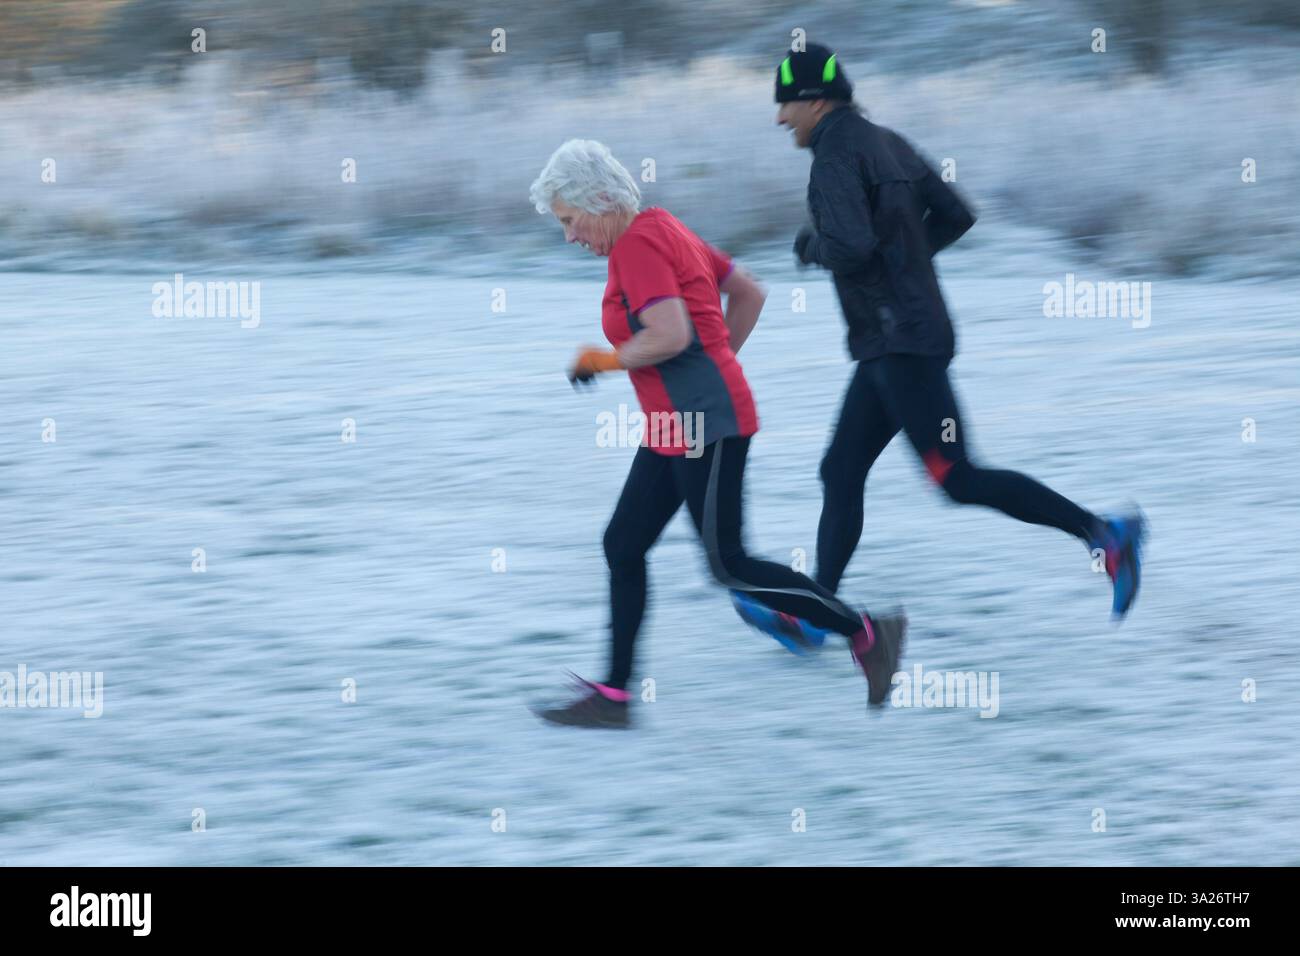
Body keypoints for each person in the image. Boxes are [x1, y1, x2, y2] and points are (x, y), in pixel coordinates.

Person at [527, 139, 906, 728]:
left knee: (728, 562)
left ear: (599, 200)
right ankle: (615, 697)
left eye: (571, 221)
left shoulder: (637, 245)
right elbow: (749, 291)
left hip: (705, 421)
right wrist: (716, 361)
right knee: (623, 543)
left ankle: (865, 631)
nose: (571, 235)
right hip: (678, 422)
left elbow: (671, 334)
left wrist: (602, 361)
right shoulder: (664, 228)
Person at [771, 44, 1145, 620]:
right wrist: (906, 261)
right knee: (840, 470)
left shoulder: (834, 158)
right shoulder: (886, 141)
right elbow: (955, 214)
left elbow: (849, 247)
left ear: (815, 102)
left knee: (958, 476)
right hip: (897, 340)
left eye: (785, 106)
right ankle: (817, 613)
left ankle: (1102, 532)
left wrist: (810, 246)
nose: (779, 119)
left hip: (902, 346)